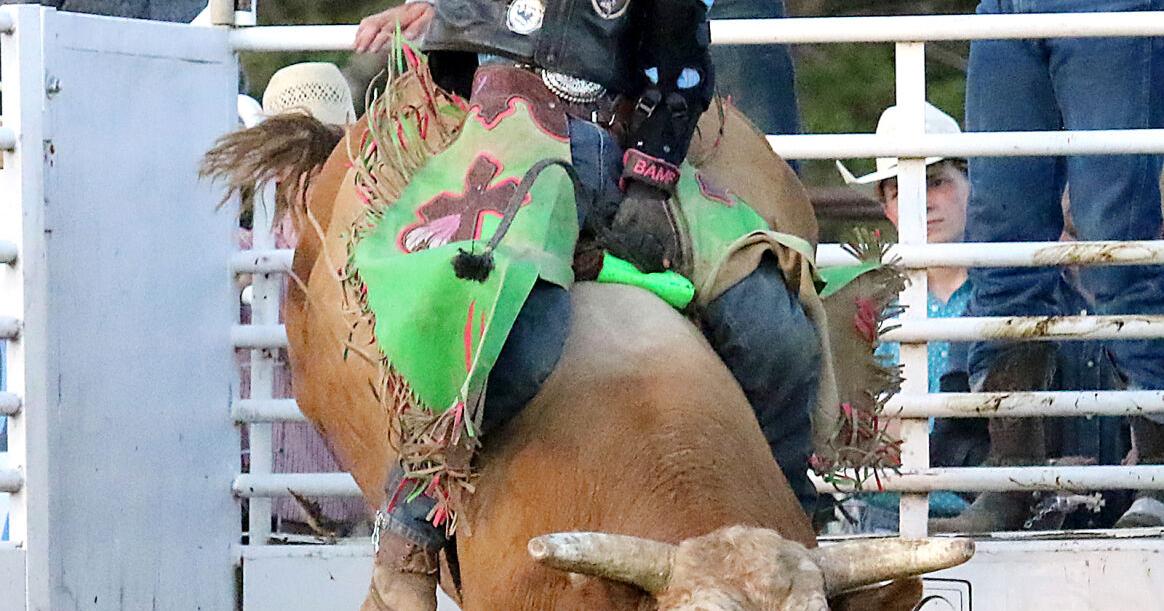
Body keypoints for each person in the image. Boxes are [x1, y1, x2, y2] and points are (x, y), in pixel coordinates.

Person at [352, 1, 827, 607]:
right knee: (502, 324)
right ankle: (408, 535)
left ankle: (787, 534)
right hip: (511, 133)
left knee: (775, 334)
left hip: (638, 144)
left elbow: (679, 50)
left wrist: (653, 172)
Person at [963, 0, 1164, 529]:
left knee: (1115, 235)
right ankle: (1012, 471)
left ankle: (1159, 468)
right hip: (1006, 10)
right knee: (999, 242)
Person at [836, 102, 987, 530]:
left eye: (935, 182)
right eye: (902, 189)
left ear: (969, 185)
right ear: (887, 209)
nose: (922, 201)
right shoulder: (866, 306)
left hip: (991, 513)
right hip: (884, 512)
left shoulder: (1009, 291)